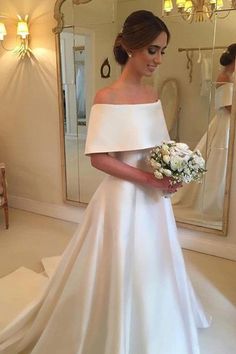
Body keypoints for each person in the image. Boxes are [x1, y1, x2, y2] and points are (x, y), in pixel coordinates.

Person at [0, 10, 210, 354]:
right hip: (122, 198)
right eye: (152, 50)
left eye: (162, 51)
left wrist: (172, 171)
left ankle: (155, 320)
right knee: (117, 263)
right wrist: (147, 178)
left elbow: (160, 146)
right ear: (130, 47)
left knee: (153, 261)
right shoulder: (106, 97)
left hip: (153, 198)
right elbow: (100, 159)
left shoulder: (152, 95)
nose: (158, 59)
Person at [173, 44, 236, 225]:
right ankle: (213, 202)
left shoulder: (231, 76)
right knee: (220, 158)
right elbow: (227, 105)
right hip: (226, 122)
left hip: (229, 120)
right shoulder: (224, 77)